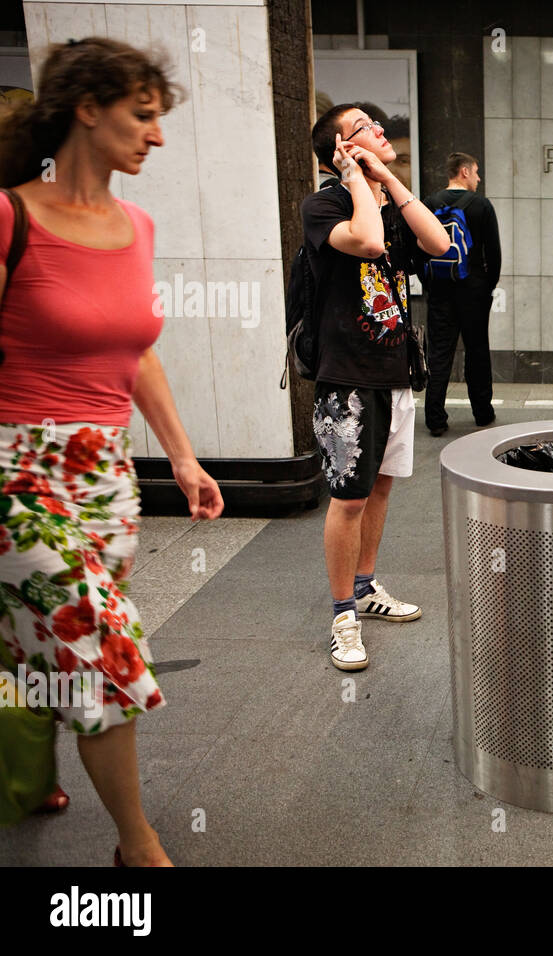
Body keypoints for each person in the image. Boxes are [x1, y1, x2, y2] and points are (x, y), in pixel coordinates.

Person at [0, 38, 223, 866]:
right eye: (142, 116)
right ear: (85, 110)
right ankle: (141, 847)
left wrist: (185, 458)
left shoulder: (136, 225)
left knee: (56, 651)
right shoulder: (10, 215)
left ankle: (24, 769)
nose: (155, 138)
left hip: (105, 470)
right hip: (17, 470)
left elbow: (136, 351)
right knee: (99, 646)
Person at [305, 104, 450, 670]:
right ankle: (343, 612)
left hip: (395, 372)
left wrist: (387, 177)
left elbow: (438, 244)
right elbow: (366, 242)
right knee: (350, 498)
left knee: (382, 488)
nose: (382, 130)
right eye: (366, 126)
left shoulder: (388, 201)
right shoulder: (324, 206)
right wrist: (353, 178)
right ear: (341, 148)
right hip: (346, 378)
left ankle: (365, 587)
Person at [423, 151, 502, 436]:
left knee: (439, 353)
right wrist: (487, 286)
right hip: (474, 290)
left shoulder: (429, 203)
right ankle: (482, 413)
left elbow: (418, 247)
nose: (479, 178)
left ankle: (435, 418)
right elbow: (493, 253)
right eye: (477, 172)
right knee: (477, 351)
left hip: (440, 289)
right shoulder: (481, 206)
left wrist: (430, 282)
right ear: (464, 172)